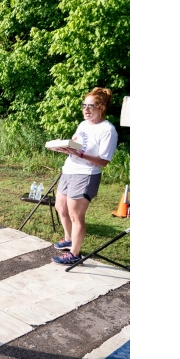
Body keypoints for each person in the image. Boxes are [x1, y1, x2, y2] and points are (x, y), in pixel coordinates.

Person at [47, 88, 119, 266]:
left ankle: (75, 254)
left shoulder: (108, 130)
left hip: (86, 175)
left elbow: (103, 161)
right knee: (60, 207)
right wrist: (64, 147)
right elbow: (79, 147)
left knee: (75, 215)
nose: (86, 109)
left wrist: (78, 155)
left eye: (91, 106)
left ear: (101, 107)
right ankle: (69, 238)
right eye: (84, 105)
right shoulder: (83, 124)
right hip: (69, 170)